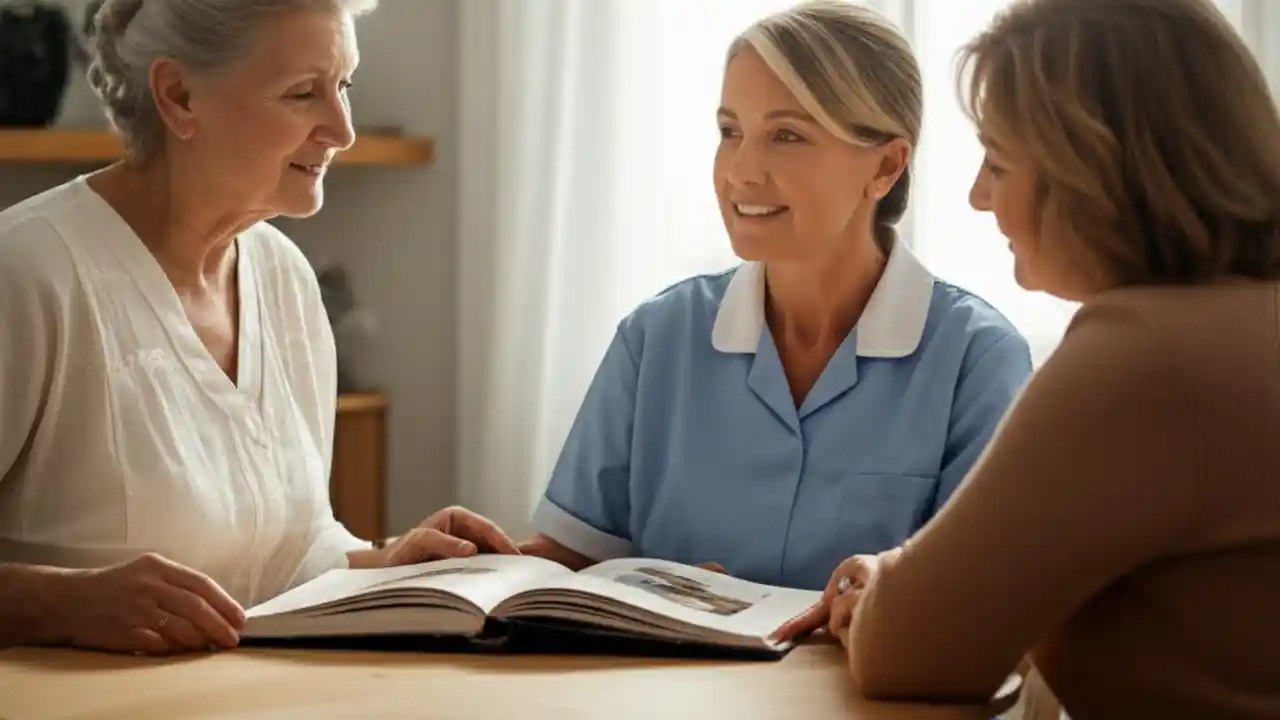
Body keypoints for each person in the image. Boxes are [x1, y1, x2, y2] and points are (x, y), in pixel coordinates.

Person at [776, 0, 1280, 715]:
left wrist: (879, 588)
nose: (980, 197)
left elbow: (915, 652)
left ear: (1096, 172)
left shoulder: (1146, 356)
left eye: (999, 162)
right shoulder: (1243, 328)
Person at [0, 0, 517, 655]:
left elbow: (288, 556)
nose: (343, 130)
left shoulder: (284, 280)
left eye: (344, 87)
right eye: (304, 93)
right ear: (179, 95)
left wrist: (387, 568)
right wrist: (59, 604)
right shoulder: (29, 275)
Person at [522, 1, 1033, 591]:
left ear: (887, 166)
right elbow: (569, 564)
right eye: (730, 131)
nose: (741, 169)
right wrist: (456, 563)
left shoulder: (977, 360)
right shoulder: (656, 337)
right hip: (669, 685)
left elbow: (975, 602)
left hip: (866, 687)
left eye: (786, 135)